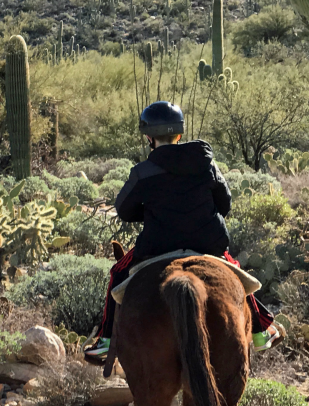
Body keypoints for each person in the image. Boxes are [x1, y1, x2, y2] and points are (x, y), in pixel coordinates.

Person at [82, 101, 280, 363]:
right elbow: (225, 204)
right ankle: (261, 329)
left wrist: (151, 213)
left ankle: (106, 340)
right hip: (207, 243)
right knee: (234, 271)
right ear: (179, 134)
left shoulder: (142, 172)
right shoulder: (207, 165)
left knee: (118, 272)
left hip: (158, 245)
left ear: (149, 137)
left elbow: (124, 210)